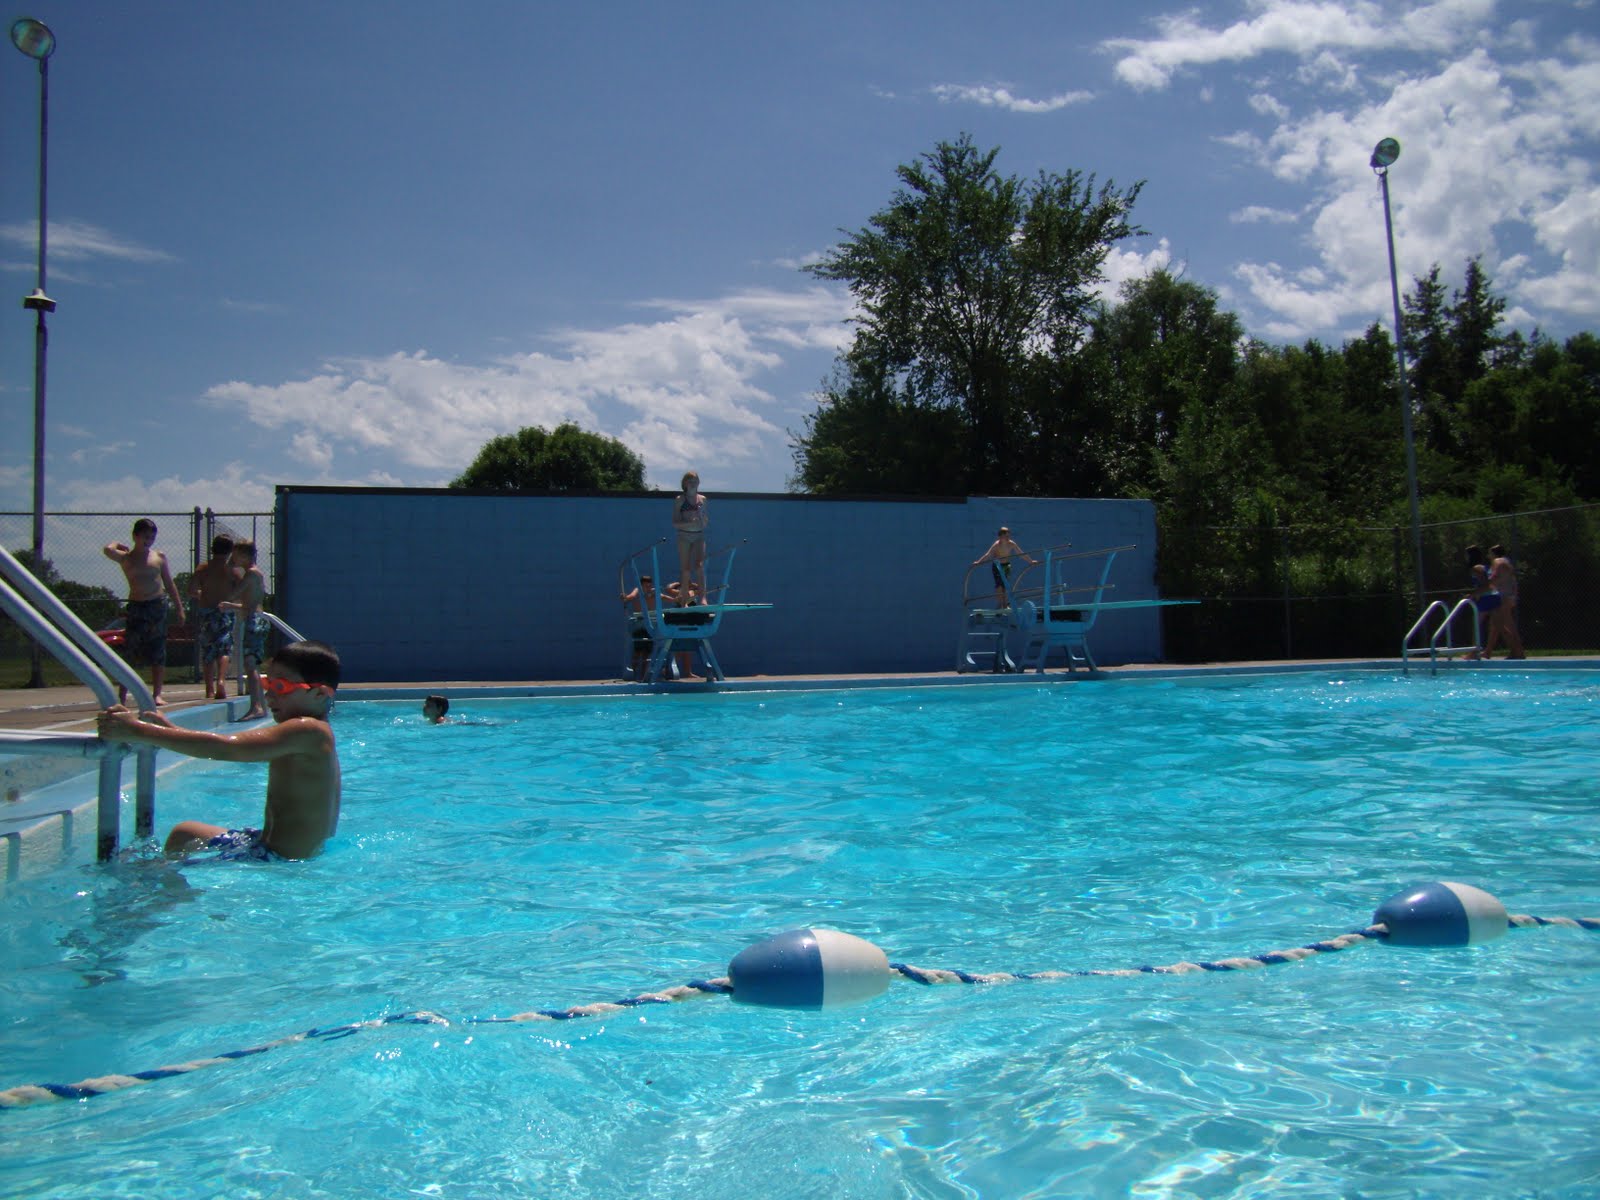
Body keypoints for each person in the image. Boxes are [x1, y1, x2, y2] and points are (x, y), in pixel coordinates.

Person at [97, 639, 342, 862]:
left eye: (280, 686)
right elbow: (232, 745)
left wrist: (139, 731)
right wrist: (172, 731)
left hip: (279, 859)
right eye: (268, 683)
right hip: (263, 843)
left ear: (319, 694)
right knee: (184, 834)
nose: (268, 695)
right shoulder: (307, 734)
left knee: (174, 845)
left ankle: (163, 900)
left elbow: (229, 747)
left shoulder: (308, 731)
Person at [102, 518, 186, 706]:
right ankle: (122, 695)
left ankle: (157, 693)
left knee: (158, 650)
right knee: (131, 651)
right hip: (137, 607)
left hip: (157, 606)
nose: (149, 540)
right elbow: (107, 550)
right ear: (135, 536)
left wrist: (179, 608)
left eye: (152, 537)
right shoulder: (126, 558)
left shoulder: (159, 557)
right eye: (145, 537)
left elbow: (169, 584)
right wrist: (118, 544)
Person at [221, 540, 270, 720]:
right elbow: (247, 603)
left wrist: (229, 568)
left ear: (245, 555)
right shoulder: (254, 575)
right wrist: (230, 605)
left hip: (254, 621)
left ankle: (257, 706)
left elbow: (234, 593)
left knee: (250, 665)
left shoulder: (251, 574)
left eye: (236, 555)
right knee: (251, 665)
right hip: (254, 619)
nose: (233, 558)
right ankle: (259, 705)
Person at [189, 534, 239, 701]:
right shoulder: (231, 570)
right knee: (224, 649)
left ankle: (209, 688)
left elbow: (192, 590)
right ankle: (221, 681)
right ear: (230, 551)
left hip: (206, 612)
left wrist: (203, 593)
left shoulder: (203, 569)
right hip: (225, 611)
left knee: (208, 650)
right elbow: (242, 590)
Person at [972, 527, 1037, 608]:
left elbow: (1021, 554)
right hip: (997, 566)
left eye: (1008, 536)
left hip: (1006, 565)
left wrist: (1031, 561)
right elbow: (988, 555)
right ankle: (1000, 604)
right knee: (999, 585)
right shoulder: (996, 545)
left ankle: (1005, 604)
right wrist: (978, 562)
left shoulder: (1011, 544)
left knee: (1006, 585)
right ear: (1000, 537)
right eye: (1006, 536)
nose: (1007, 538)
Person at [672, 471, 709, 606]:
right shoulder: (680, 500)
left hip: (699, 535)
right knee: (686, 569)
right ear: (685, 484)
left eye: (695, 480)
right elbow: (675, 523)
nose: (693, 483)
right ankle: (684, 600)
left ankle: (703, 598)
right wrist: (690, 523)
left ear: (699, 482)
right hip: (684, 536)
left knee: (699, 566)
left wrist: (702, 521)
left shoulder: (703, 499)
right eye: (690, 481)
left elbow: (705, 521)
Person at [1486, 544, 1526, 659]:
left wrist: (1484, 586)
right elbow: (1512, 581)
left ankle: (1518, 651)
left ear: (1494, 553)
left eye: (1489, 553)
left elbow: (1494, 577)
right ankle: (1488, 651)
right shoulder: (1507, 563)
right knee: (1495, 625)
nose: (1488, 556)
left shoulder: (1498, 561)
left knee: (1506, 625)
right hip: (1508, 596)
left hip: (1502, 597)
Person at [620, 574, 658, 681]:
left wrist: (676, 598)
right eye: (645, 585)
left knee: (647, 653)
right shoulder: (638, 591)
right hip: (639, 624)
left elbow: (665, 597)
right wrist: (625, 597)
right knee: (637, 651)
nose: (648, 587)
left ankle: (643, 676)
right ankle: (634, 674)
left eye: (649, 585)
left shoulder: (654, 592)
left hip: (650, 625)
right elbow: (631, 596)